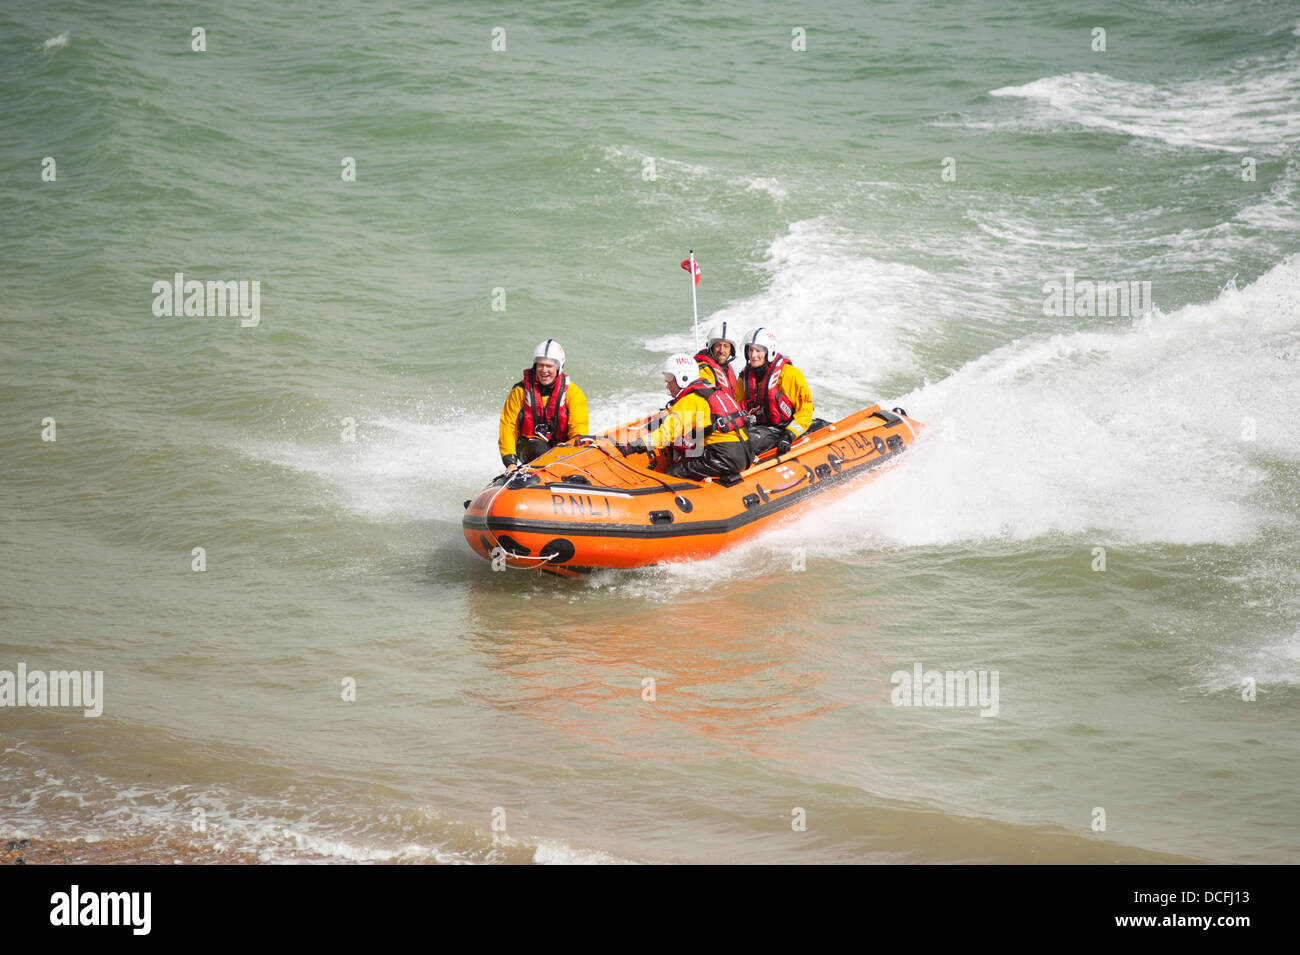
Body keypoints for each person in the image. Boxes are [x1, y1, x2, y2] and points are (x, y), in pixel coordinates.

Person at [617, 353, 751, 480]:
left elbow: (665, 435)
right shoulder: (711, 391)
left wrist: (631, 447)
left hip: (724, 457)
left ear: (683, 378)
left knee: (670, 476)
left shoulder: (690, 400)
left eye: (670, 379)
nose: (667, 385)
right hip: (744, 452)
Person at [497, 339, 589, 468]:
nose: (544, 370)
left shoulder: (574, 393)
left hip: (562, 450)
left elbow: (579, 427)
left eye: (549, 366)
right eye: (540, 365)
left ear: (559, 367)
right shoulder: (520, 391)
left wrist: (574, 452)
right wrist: (510, 463)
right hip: (529, 447)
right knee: (537, 447)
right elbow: (508, 426)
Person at [735, 327, 813, 456]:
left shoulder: (790, 374)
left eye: (758, 351)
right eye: (750, 350)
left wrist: (789, 435)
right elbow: (736, 407)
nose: (753, 355)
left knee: (747, 443)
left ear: (769, 351)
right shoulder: (744, 377)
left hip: (785, 428)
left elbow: (805, 411)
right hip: (759, 428)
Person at [694, 321, 738, 392]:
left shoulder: (726, 368)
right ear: (711, 347)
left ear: (731, 350)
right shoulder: (703, 369)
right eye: (718, 346)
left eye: (726, 346)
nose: (721, 350)